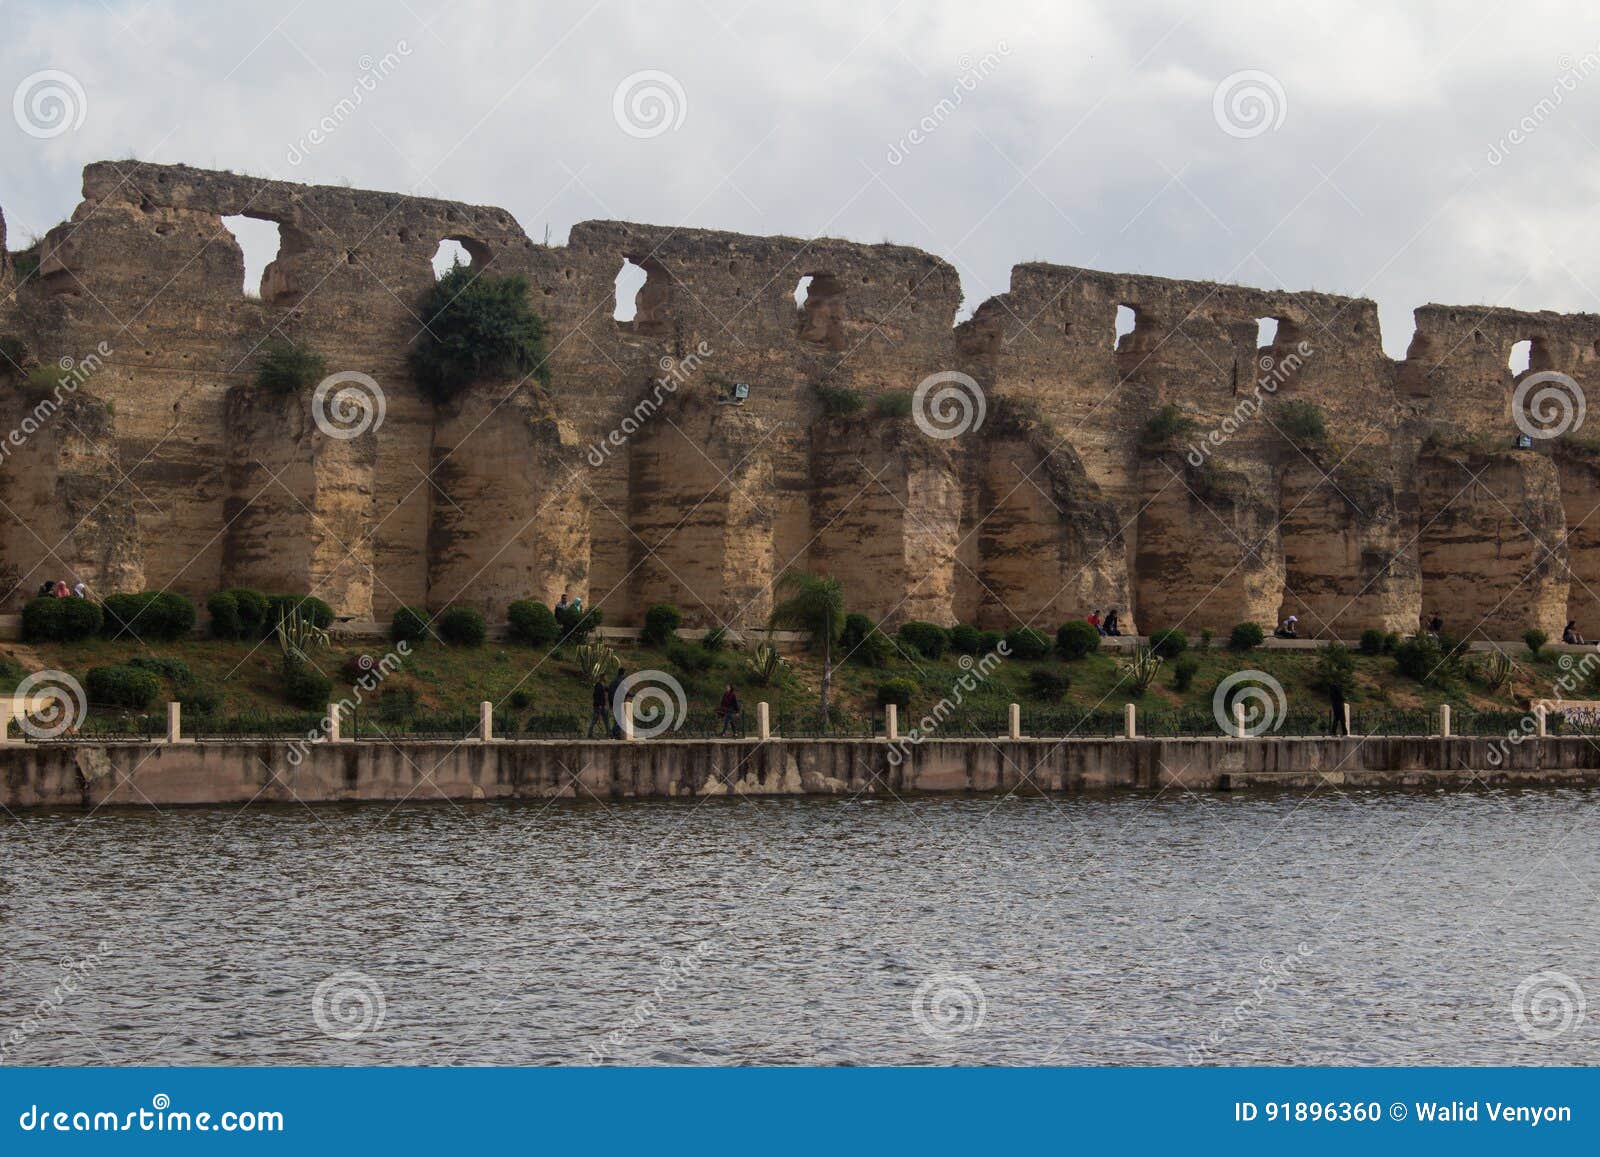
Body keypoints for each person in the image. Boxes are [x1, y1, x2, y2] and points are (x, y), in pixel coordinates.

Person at [607, 666, 627, 739]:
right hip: (619, 702)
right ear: (623, 674)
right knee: (620, 720)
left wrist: (610, 703)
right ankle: (612, 733)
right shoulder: (621, 682)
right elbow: (625, 693)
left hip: (613, 703)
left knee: (616, 720)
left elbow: (609, 692)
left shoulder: (613, 681)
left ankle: (616, 735)